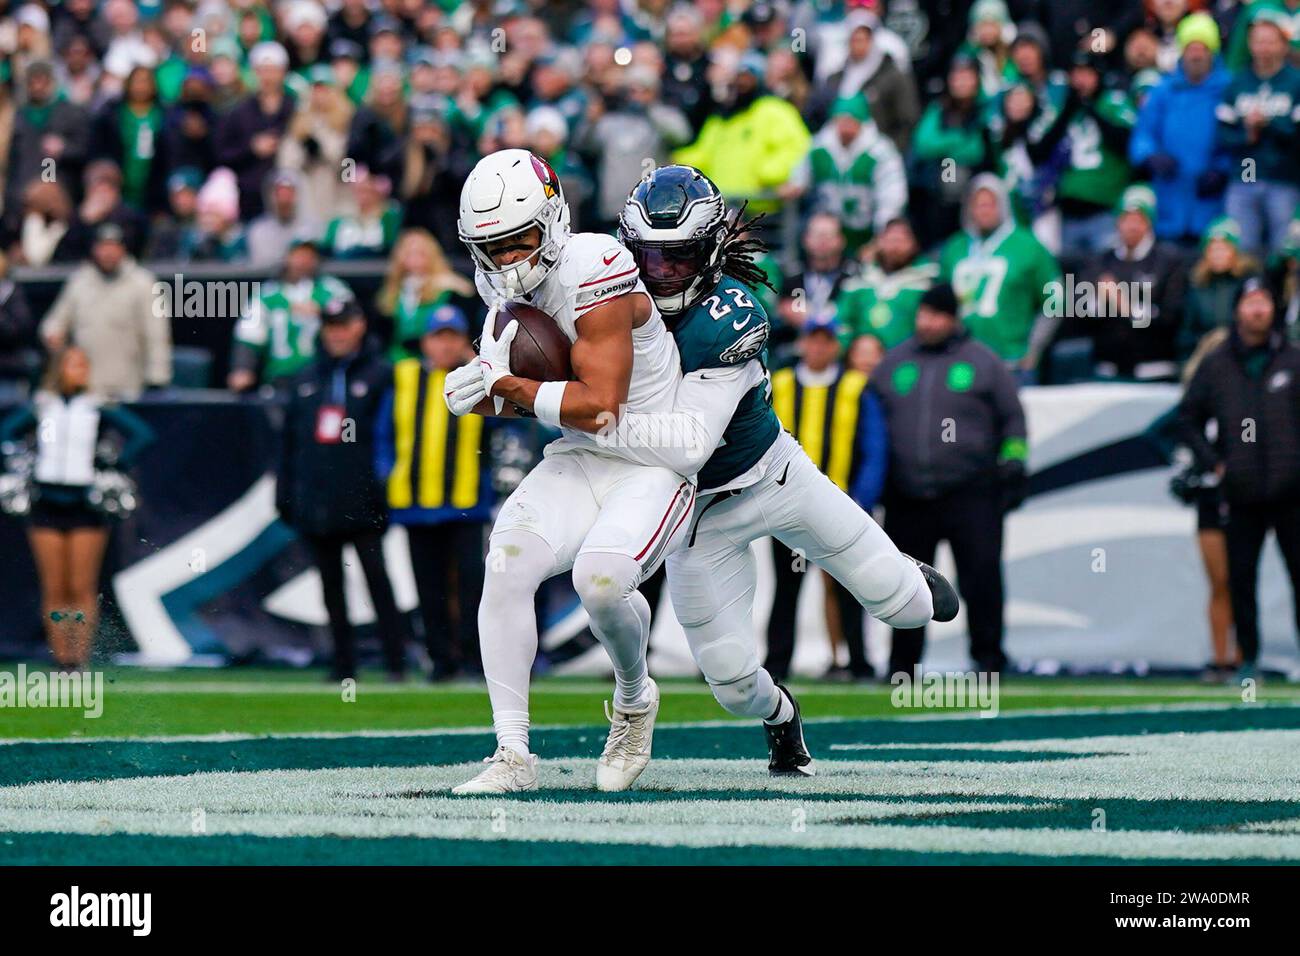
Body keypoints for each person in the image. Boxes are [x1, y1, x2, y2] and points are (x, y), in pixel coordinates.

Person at [606, 166, 956, 773]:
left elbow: (688, 443)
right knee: (732, 682)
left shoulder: (733, 314)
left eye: (678, 258)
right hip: (698, 514)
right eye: (649, 257)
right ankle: (781, 715)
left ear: (711, 252)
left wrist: (571, 408)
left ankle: (908, 574)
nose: (661, 274)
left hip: (775, 477)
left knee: (905, 607)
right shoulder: (608, 302)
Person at [442, 149, 696, 795]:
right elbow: (531, 397)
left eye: (518, 241)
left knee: (602, 582)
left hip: (650, 457)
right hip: (579, 456)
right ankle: (512, 753)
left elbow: (601, 406)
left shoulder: (596, 265)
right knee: (505, 563)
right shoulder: (496, 282)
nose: (507, 261)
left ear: (553, 220)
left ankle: (635, 700)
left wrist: (507, 385)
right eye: (491, 248)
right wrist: (482, 395)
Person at [871, 282, 1028, 676]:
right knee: (907, 586)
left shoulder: (983, 361)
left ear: (953, 318)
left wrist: (1013, 462)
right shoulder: (895, 363)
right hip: (907, 495)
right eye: (923, 313)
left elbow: (1013, 419)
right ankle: (902, 665)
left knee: (981, 579)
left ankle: (989, 660)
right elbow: (869, 420)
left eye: (935, 315)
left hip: (971, 492)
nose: (926, 322)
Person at [275, 297, 410, 682]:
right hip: (317, 497)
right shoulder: (304, 378)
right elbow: (288, 443)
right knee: (330, 585)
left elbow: (394, 437)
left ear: (360, 326)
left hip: (363, 498)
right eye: (331, 324)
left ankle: (397, 661)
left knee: (376, 580)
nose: (337, 332)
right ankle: (343, 664)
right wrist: (285, 494)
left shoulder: (383, 374)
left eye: (344, 324)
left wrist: (384, 491)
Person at [0, 345, 153, 669]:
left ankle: (79, 660)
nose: (80, 371)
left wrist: (112, 460)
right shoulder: (43, 406)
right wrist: (24, 461)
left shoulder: (97, 405)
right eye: (73, 364)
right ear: (59, 369)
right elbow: (6, 432)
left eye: (84, 364)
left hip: (85, 503)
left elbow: (141, 434)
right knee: (54, 586)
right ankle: (61, 659)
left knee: (81, 585)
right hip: (46, 501)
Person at [1178, 278, 1300, 683]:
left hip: (1290, 491)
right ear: (1236, 310)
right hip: (1242, 492)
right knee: (1240, 581)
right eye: (1249, 301)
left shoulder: (1292, 359)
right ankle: (1248, 660)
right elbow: (1187, 418)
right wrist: (1214, 463)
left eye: (1264, 300)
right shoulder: (1217, 363)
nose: (1258, 309)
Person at [765, 313, 889, 684]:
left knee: (849, 587)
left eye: (826, 340)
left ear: (836, 346)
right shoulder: (779, 384)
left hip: (839, 509)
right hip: (787, 508)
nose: (818, 347)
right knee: (786, 589)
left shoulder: (854, 387)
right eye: (812, 339)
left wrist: (861, 501)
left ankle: (859, 662)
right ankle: (777, 664)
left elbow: (874, 448)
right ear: (802, 343)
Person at [375, 305, 491, 680]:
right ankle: (441, 661)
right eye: (438, 338)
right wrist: (388, 474)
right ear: (425, 342)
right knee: (430, 588)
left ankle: (475, 659)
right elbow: (383, 434)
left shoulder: (482, 378)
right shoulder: (405, 377)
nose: (444, 346)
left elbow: (504, 434)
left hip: (466, 503)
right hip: (416, 503)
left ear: (462, 341)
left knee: (473, 585)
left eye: (452, 337)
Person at [938, 174, 1061, 377]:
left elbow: (1055, 300)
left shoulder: (1028, 245)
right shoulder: (955, 247)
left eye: (990, 204)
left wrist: (1034, 346)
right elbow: (940, 304)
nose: (984, 211)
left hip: (1012, 362)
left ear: (1003, 205)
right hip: (958, 363)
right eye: (978, 205)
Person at [1129, 13, 1232, 246]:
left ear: (1212, 52)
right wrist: (1151, 156)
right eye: (1190, 48)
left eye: (1202, 48)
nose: (1196, 55)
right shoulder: (1163, 90)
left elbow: (1242, 143)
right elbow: (1143, 133)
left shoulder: (1227, 88)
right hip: (1169, 194)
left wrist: (1224, 170)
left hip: (1211, 202)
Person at [38, 223, 171, 400]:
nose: (108, 253)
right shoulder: (80, 281)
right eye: (103, 246)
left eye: (113, 247)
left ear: (123, 249)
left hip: (127, 388)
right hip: (85, 389)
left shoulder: (144, 283)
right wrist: (52, 333)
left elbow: (157, 335)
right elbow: (55, 321)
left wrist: (157, 379)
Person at [1080, 184, 1188, 381]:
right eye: (1126, 219)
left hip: (1155, 370)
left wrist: (1123, 304)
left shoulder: (1169, 262)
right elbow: (1081, 314)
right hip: (1108, 368)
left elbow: (1169, 318)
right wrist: (1099, 300)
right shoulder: (1100, 261)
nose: (1132, 226)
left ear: (1149, 223)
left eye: (1139, 219)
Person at [1216, 12, 1300, 256]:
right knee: (1243, 249)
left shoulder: (1294, 82)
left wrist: (1268, 124)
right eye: (1258, 41)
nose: (1263, 48)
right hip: (1246, 173)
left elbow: (1297, 137)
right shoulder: (1238, 82)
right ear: (1250, 44)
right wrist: (1247, 134)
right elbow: (1223, 134)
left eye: (1270, 41)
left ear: (1284, 44)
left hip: (1283, 177)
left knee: (1283, 249)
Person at [780, 93, 906, 255]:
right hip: (831, 227)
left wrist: (879, 238)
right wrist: (796, 184)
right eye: (840, 120)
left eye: (851, 120)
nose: (845, 126)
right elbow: (800, 175)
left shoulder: (880, 152)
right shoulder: (819, 146)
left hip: (866, 227)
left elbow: (892, 197)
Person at [228, 236, 353, 391]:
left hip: (323, 374)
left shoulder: (332, 289)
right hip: (280, 376)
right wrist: (243, 368)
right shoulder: (267, 295)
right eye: (298, 255)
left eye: (308, 256)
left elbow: (352, 318)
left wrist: (321, 311)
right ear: (288, 257)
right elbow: (249, 336)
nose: (303, 261)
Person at [375, 227, 474, 361]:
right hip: (398, 361)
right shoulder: (393, 291)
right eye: (410, 253)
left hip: (436, 360)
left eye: (421, 253)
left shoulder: (447, 287)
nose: (415, 259)